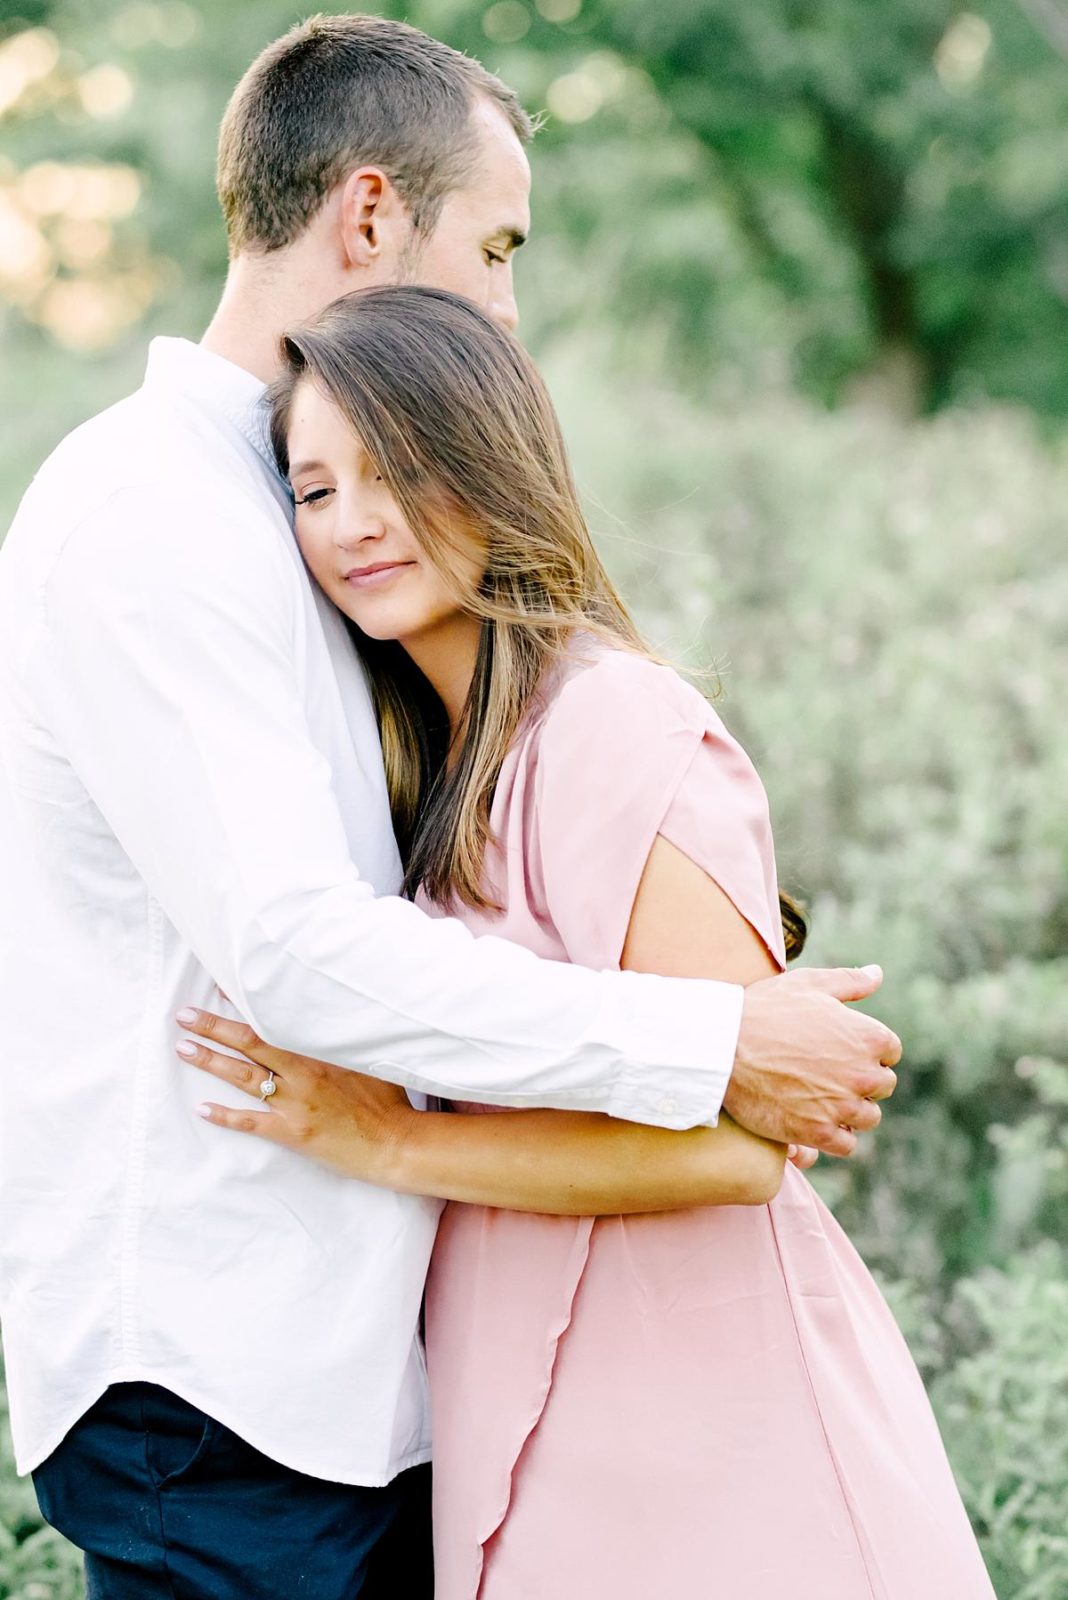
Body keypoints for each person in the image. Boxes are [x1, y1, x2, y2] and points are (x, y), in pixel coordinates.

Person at [0, 15, 898, 1600]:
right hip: (218, 1392)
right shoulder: (156, 515)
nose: (505, 304)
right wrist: (713, 1044)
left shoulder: (283, 522)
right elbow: (295, 947)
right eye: (494, 246)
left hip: (361, 1381)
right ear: (365, 217)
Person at [181, 284, 994, 1599]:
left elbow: (736, 1152)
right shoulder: (416, 778)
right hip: (524, 1395)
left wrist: (387, 1140)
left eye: (393, 468)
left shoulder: (614, 720)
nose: (355, 524)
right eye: (315, 488)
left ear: (491, 468)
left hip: (719, 1421)